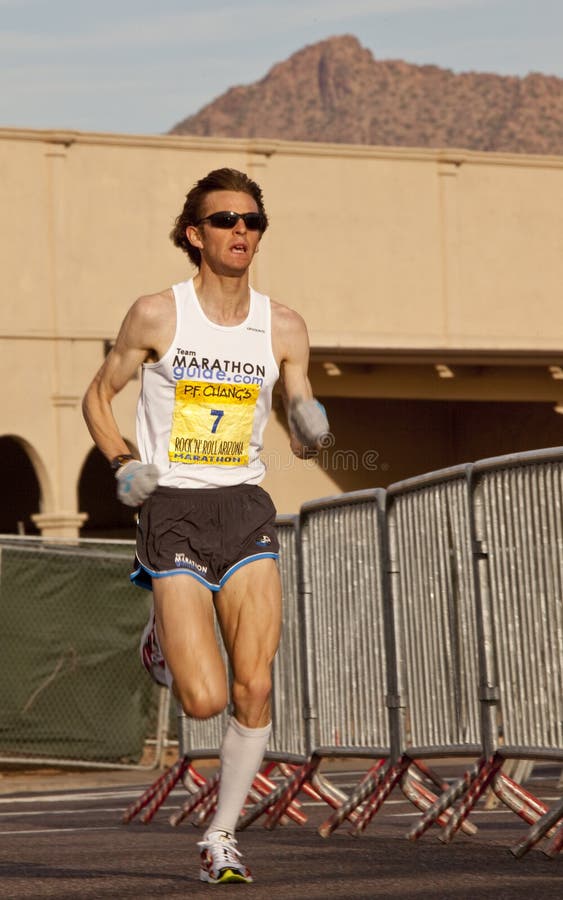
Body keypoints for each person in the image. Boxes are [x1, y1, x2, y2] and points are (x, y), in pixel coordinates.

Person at [82, 167, 329, 885]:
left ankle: (221, 835)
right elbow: (99, 395)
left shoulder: (282, 325)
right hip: (173, 512)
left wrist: (312, 426)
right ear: (195, 235)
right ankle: (161, 628)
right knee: (205, 699)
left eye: (252, 221)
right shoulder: (159, 315)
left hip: (242, 507)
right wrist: (123, 458)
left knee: (254, 688)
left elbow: (301, 408)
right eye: (224, 220)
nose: (240, 231)